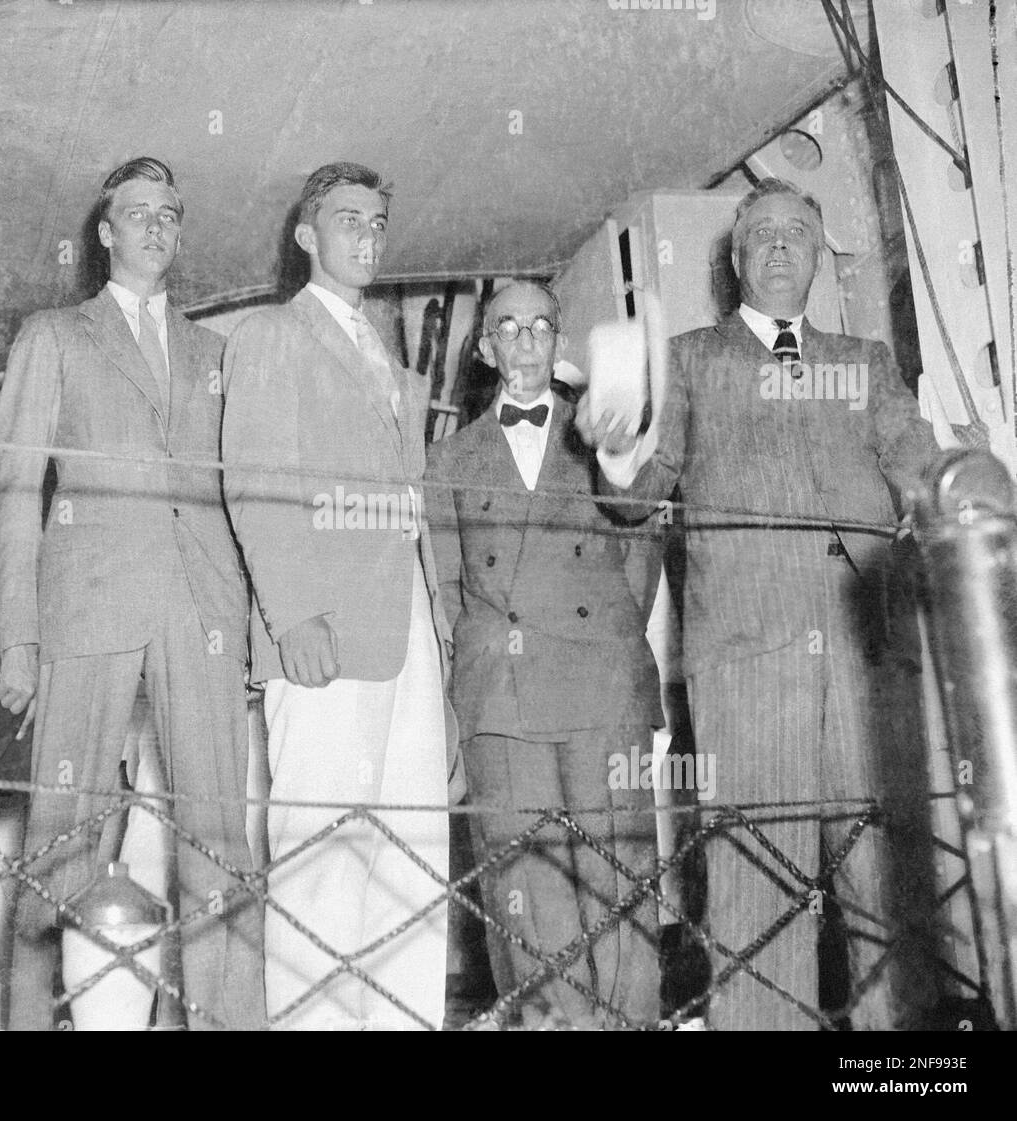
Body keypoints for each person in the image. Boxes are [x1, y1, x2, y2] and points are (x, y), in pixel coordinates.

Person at [578, 178, 942, 1030]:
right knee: (757, 887)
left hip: (864, 656)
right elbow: (635, 494)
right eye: (763, 235)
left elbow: (920, 468)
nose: (781, 246)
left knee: (885, 886)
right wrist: (617, 441)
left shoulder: (866, 364)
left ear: (817, 259)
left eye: (799, 234)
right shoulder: (694, 359)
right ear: (736, 261)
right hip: (748, 660)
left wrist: (969, 499)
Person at [0, 156, 262, 1030]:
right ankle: (33, 1021)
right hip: (88, 605)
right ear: (104, 233)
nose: (155, 227)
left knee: (219, 842)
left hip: (202, 614)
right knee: (61, 834)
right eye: (137, 213)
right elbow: (13, 487)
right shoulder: (55, 335)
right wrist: (19, 639)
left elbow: (241, 495)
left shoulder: (217, 352)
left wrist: (248, 626)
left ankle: (229, 1022)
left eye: (170, 214)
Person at [222, 162, 452, 1030]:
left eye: (378, 220)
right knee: (323, 860)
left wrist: (439, 638)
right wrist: (290, 611)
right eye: (347, 218)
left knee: (411, 857)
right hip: (319, 628)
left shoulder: (387, 353)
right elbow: (250, 478)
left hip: (407, 637)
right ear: (306, 236)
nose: (367, 233)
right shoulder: (269, 335)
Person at [425, 280, 664, 1029]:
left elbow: (640, 546)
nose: (525, 340)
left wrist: (609, 641)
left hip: (600, 678)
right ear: (485, 346)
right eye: (507, 326)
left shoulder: (606, 431)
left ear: (560, 344)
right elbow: (444, 586)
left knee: (617, 879)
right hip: (499, 694)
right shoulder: (446, 460)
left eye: (541, 326)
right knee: (525, 890)